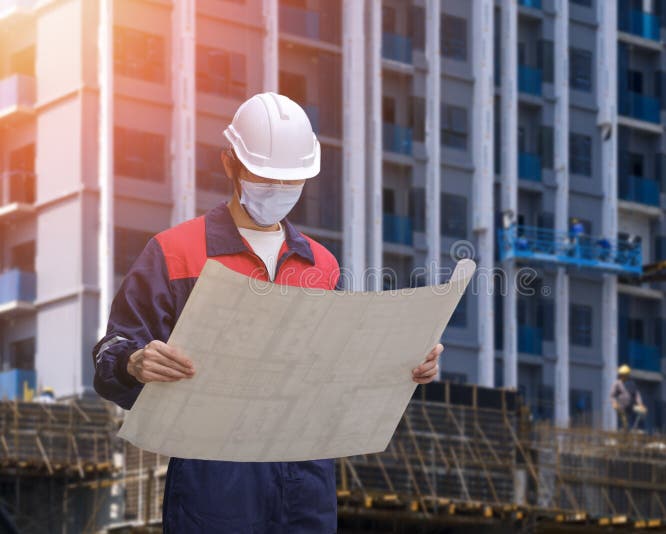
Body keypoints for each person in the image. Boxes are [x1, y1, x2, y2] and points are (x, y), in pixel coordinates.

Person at [92, 92, 444, 533]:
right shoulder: (174, 252)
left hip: (307, 476)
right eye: (265, 176)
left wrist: (404, 364)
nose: (278, 189)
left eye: (291, 180)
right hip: (214, 476)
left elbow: (338, 368)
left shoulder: (321, 264)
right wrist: (133, 362)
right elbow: (112, 351)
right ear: (230, 164)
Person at [610, 364, 646, 431]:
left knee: (643, 411)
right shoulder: (617, 384)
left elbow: (637, 395)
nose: (622, 376)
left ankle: (638, 428)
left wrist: (640, 404)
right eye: (621, 375)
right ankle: (624, 430)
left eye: (624, 375)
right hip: (621, 407)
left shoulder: (631, 384)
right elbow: (612, 395)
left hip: (631, 406)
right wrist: (614, 403)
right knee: (624, 421)